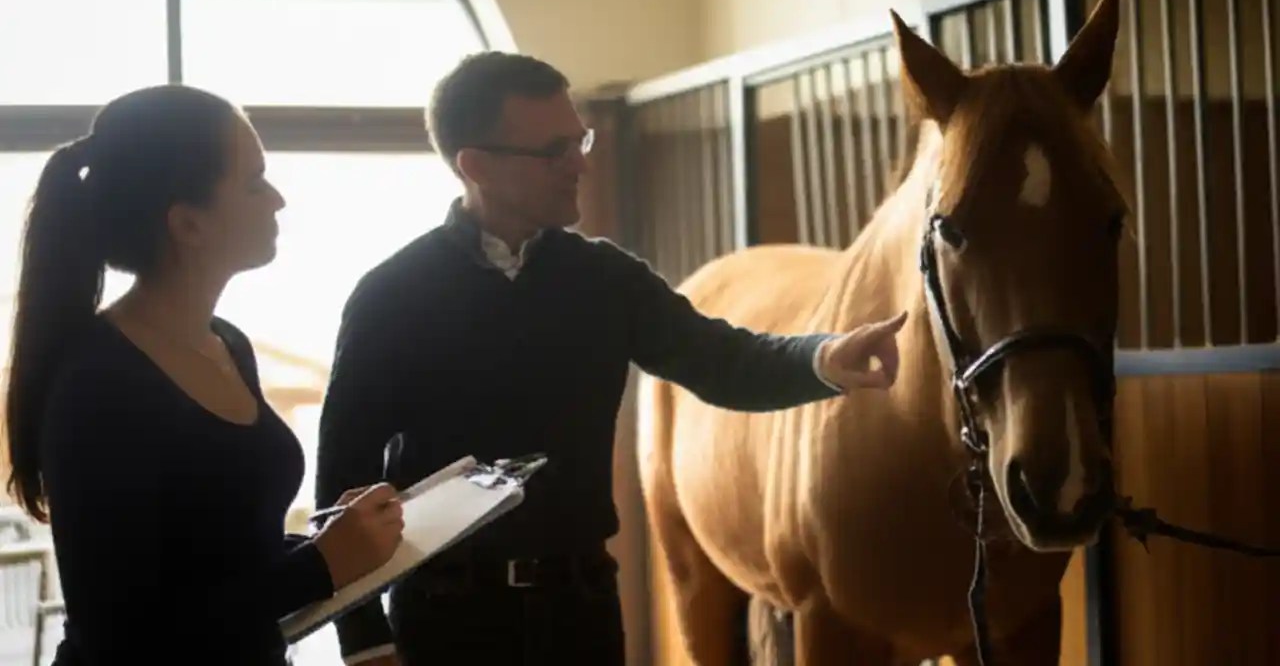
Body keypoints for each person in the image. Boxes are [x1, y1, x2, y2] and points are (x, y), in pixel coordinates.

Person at [315, 52, 909, 666]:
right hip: (444, 627)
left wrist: (827, 356)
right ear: (476, 166)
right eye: (555, 151)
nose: (581, 164)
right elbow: (344, 490)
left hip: (582, 617)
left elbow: (724, 359)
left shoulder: (606, 279)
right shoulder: (391, 296)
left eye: (580, 140)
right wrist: (363, 647)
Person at [3, 84, 405, 665]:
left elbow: (220, 555)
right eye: (254, 182)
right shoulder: (99, 383)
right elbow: (122, 633)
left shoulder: (228, 344)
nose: (278, 200)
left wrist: (329, 541)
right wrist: (322, 566)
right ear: (188, 225)